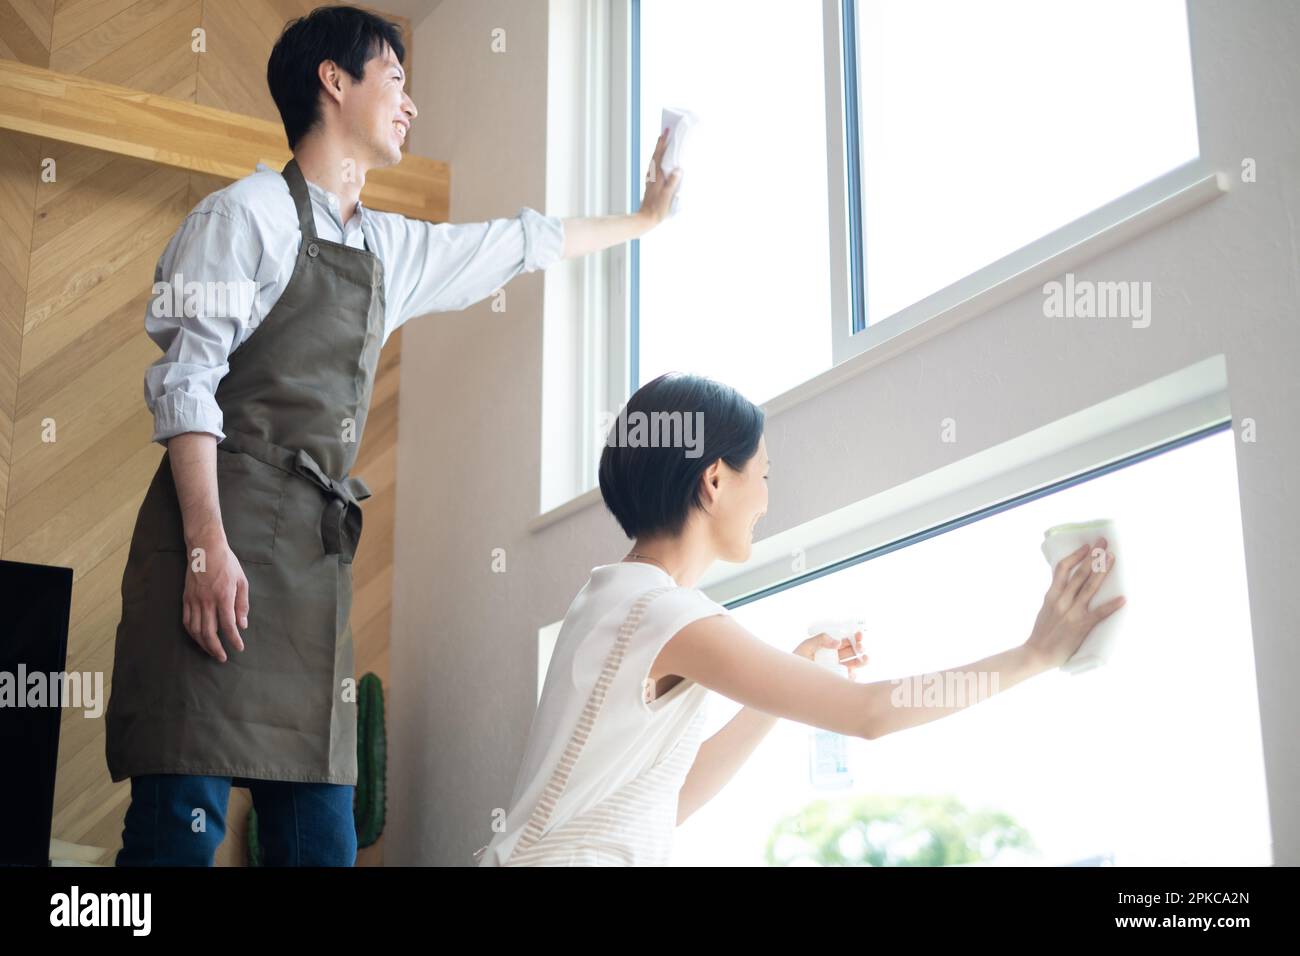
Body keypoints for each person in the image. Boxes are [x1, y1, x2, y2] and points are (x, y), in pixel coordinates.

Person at [106, 4, 682, 867]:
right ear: (333, 83)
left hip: (312, 567)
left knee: (321, 840)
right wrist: (203, 551)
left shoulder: (388, 250)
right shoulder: (245, 216)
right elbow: (187, 386)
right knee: (176, 828)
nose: (410, 104)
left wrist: (642, 224)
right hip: (217, 531)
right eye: (396, 80)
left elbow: (515, 245)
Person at [475, 372, 1126, 866]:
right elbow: (869, 712)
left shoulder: (611, 600)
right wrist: (1035, 654)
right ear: (714, 482)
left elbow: (664, 802)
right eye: (763, 473)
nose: (766, 498)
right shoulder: (660, 612)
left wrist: (779, 690)